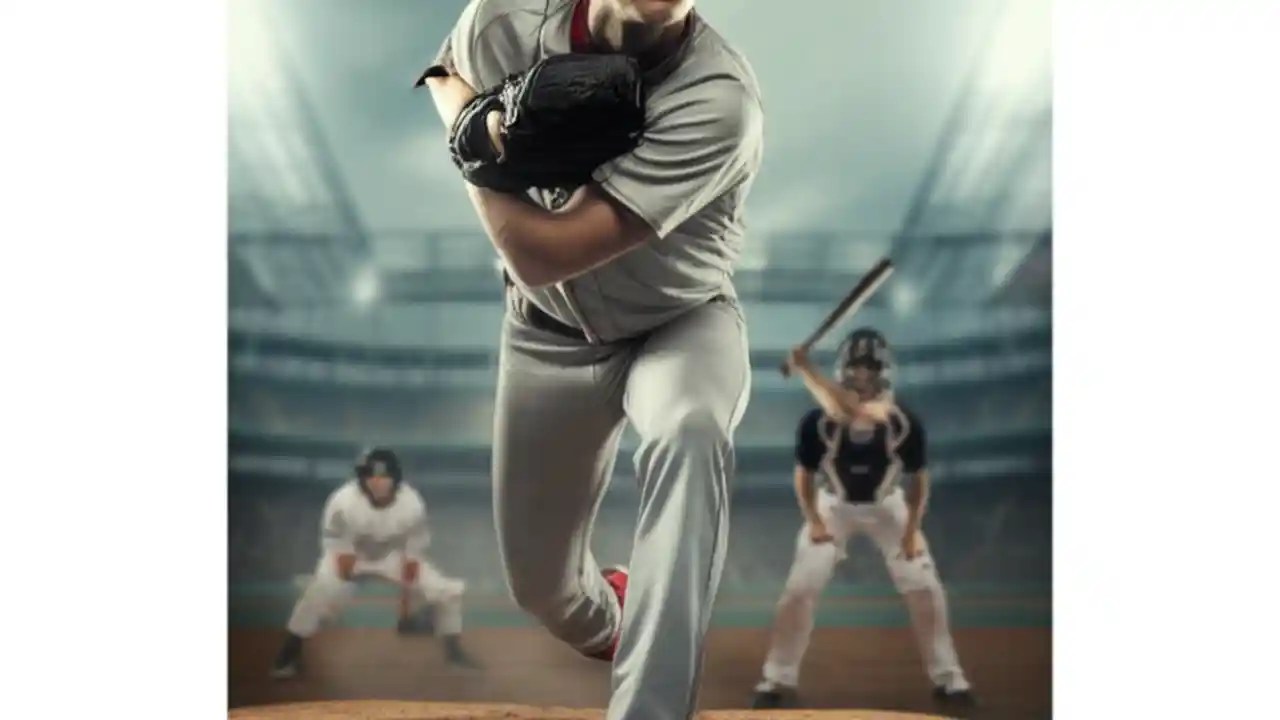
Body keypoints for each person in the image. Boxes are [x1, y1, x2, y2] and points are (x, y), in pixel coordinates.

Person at [418, 1, 763, 718]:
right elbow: (443, 71)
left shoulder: (717, 100)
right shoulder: (506, 18)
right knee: (541, 589)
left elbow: (543, 252)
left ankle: (651, 709)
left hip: (679, 324)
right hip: (548, 334)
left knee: (690, 430)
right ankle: (612, 617)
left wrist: (478, 152)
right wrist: (467, 116)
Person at [750, 328, 974, 709]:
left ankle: (949, 677)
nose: (862, 376)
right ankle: (776, 677)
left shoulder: (900, 419)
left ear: (884, 373)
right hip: (832, 505)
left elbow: (917, 478)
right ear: (842, 371)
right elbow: (804, 475)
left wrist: (912, 531)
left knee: (924, 586)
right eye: (855, 368)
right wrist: (816, 522)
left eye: (870, 369)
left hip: (888, 506)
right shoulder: (815, 424)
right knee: (801, 587)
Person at [271, 448, 479, 678]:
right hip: (349, 554)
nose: (378, 482)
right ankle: (288, 656)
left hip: (389, 555)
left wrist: (408, 601)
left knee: (448, 591)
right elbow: (333, 537)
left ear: (395, 479)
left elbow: (415, 541)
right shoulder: (343, 500)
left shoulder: (411, 502)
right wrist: (342, 563)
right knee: (318, 594)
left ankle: (455, 655)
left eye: (384, 476)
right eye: (372, 476)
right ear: (362, 479)